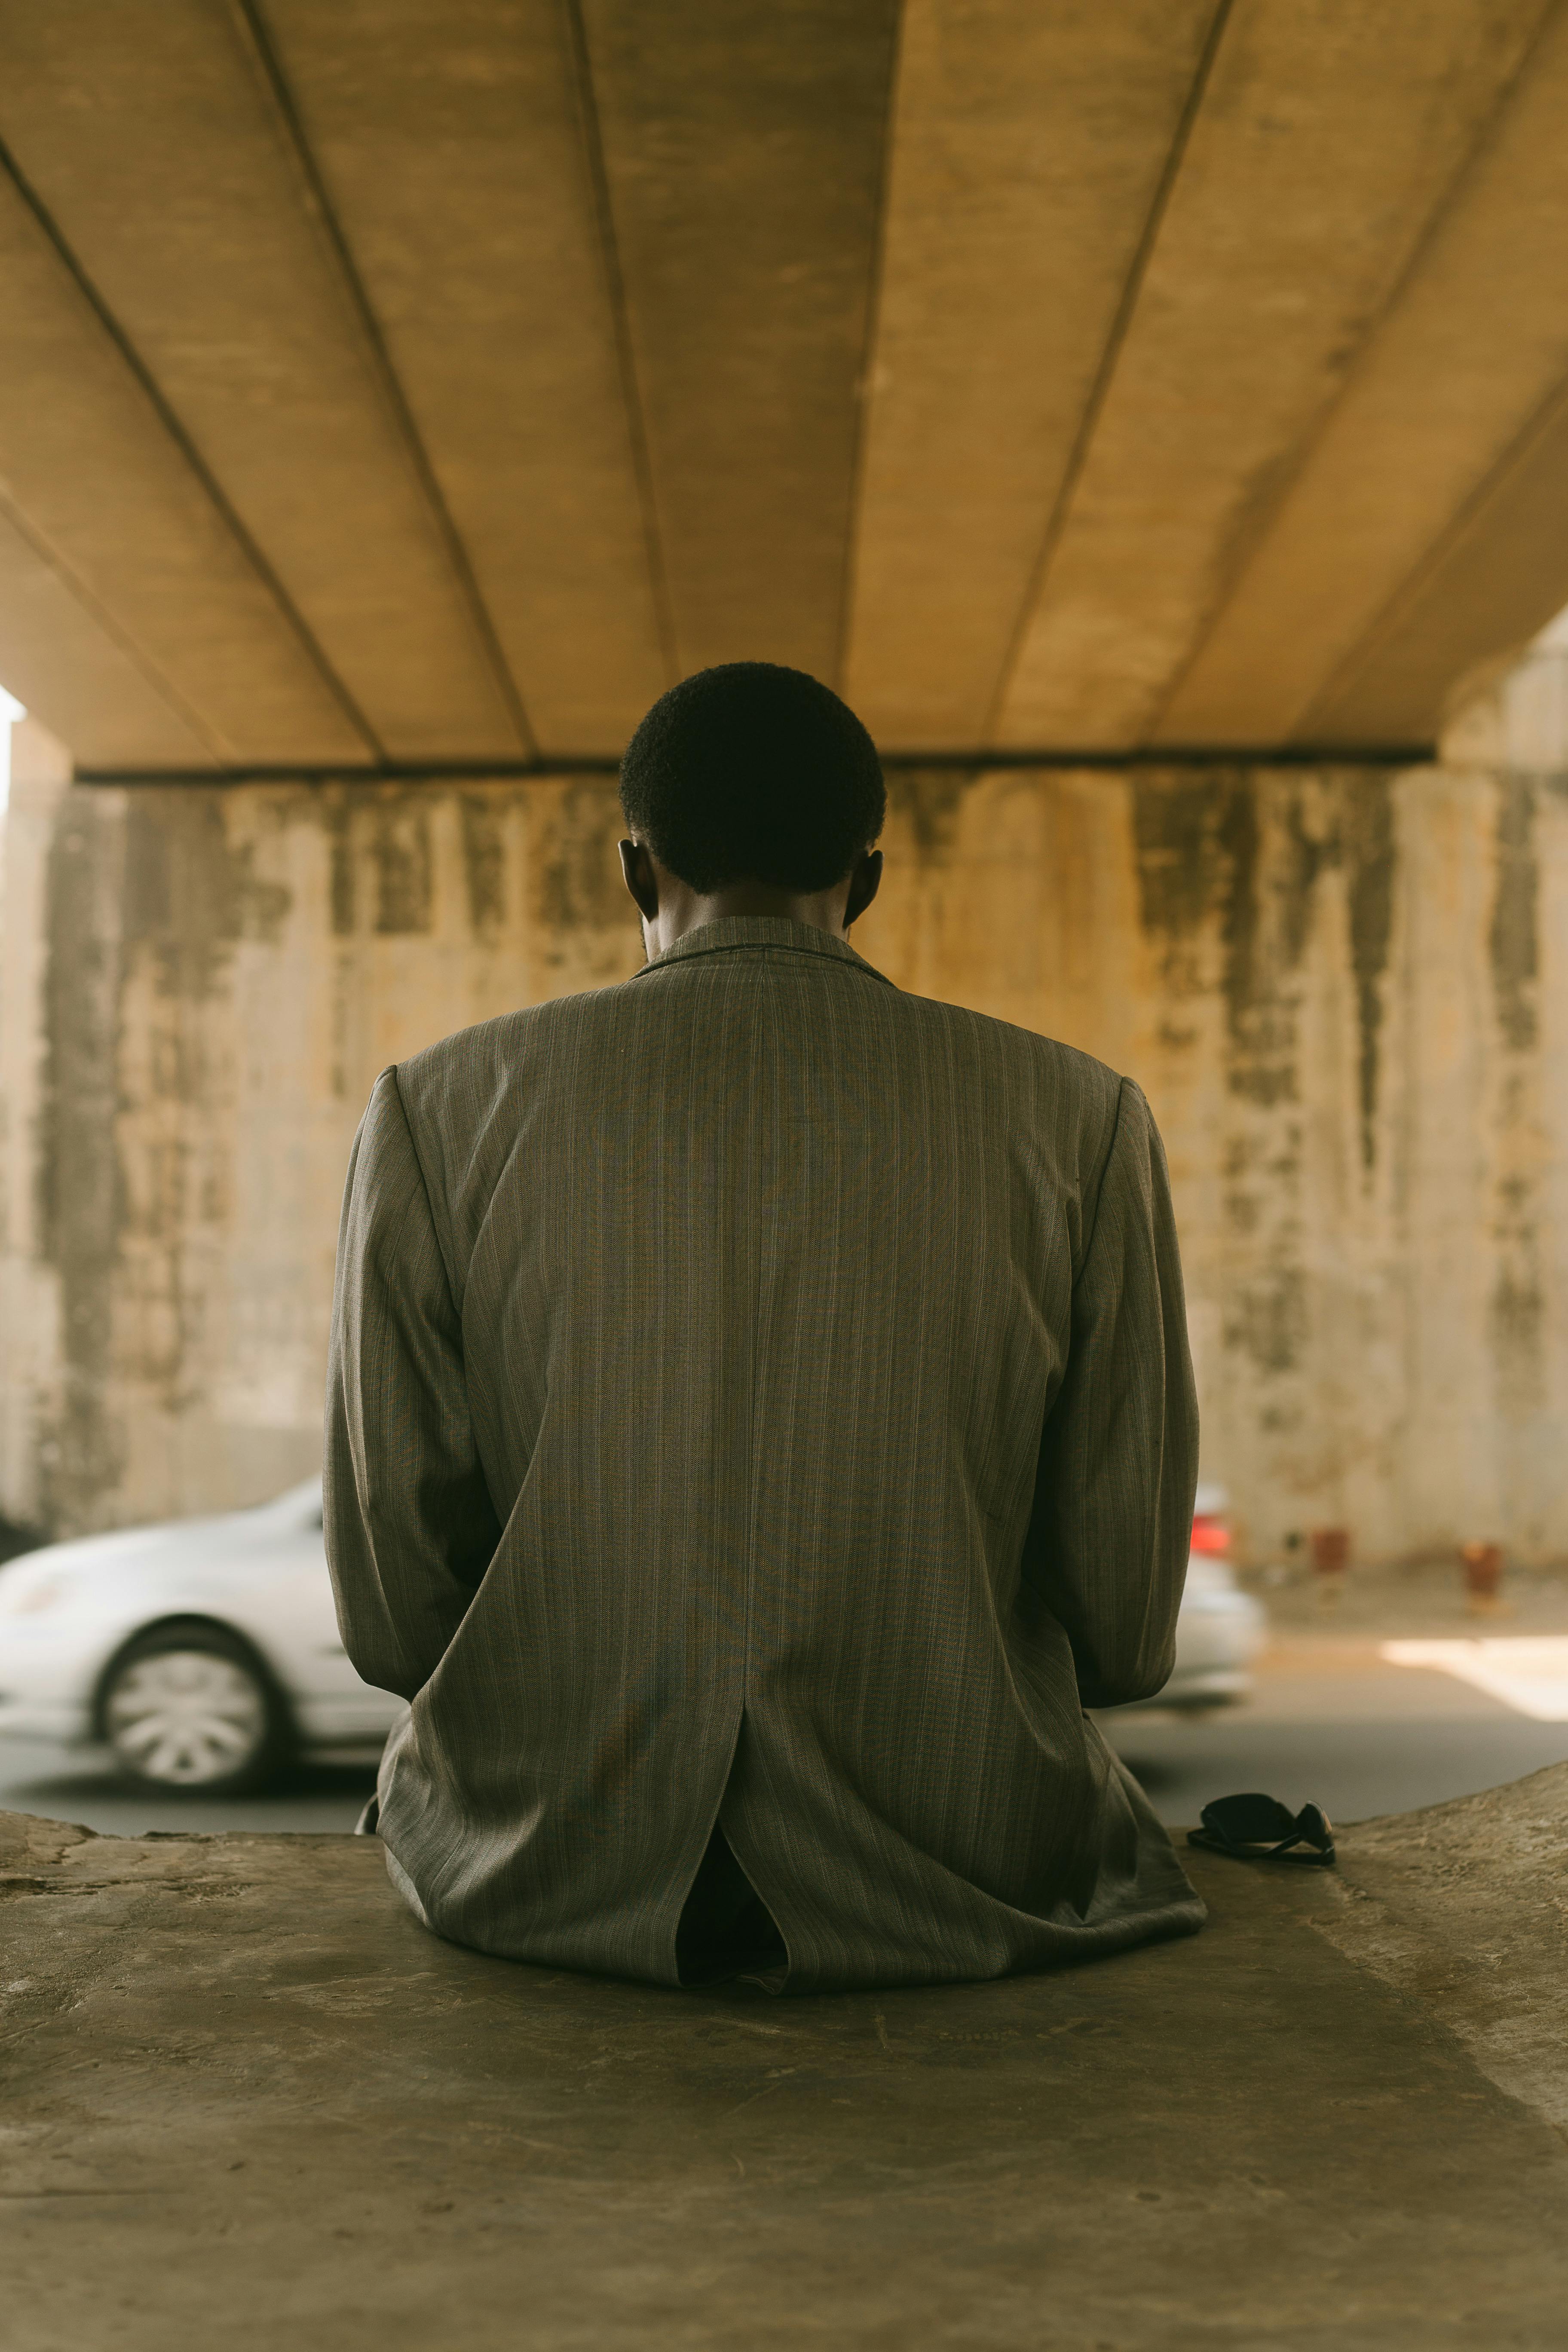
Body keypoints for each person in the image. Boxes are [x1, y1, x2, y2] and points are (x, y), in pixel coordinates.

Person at [325, 662, 1204, 1992]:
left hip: (540, 1872)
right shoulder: (1080, 1122)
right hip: (967, 1874)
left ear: (637, 870)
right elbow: (1128, 1635)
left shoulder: (436, 1114)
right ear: (870, 875)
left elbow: (395, 1624)